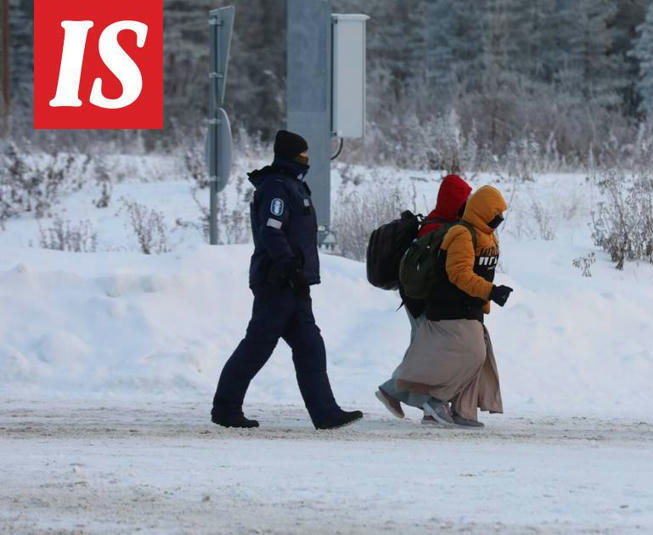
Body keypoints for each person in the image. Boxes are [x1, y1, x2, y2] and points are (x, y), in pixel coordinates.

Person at [211, 130, 362, 430]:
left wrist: (298, 273)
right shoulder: (278, 188)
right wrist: (288, 265)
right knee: (257, 346)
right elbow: (271, 231)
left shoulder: (293, 186)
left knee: (310, 346)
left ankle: (325, 413)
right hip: (277, 282)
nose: (307, 159)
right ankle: (225, 409)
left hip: (294, 284)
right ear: (292, 156)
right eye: (302, 154)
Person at [389, 185, 511, 428]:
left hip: (472, 306)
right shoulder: (462, 234)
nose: (499, 218)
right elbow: (459, 274)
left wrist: (487, 296)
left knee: (478, 355)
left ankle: (464, 411)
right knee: (470, 355)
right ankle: (428, 399)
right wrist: (490, 291)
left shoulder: (487, 234)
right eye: (495, 212)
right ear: (482, 210)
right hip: (452, 306)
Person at [375, 174, 473, 424]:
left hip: (415, 297)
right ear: (455, 201)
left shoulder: (436, 220)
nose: (469, 204)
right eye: (465, 199)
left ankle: (412, 399)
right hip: (421, 299)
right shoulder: (440, 229)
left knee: (424, 349)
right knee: (430, 352)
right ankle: (406, 394)